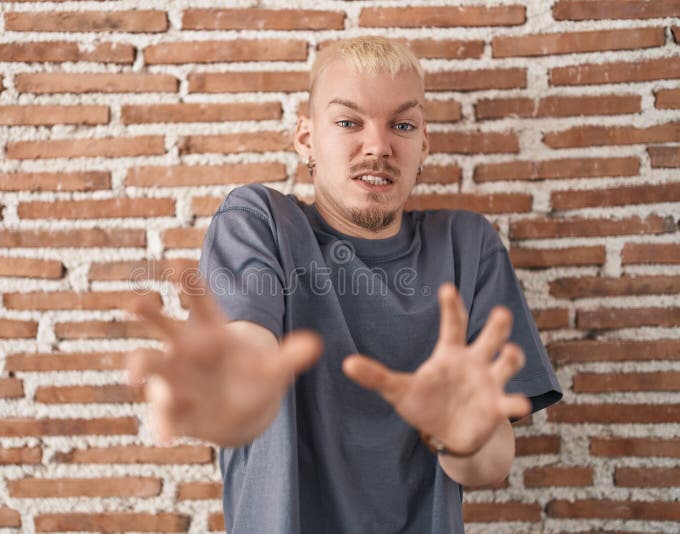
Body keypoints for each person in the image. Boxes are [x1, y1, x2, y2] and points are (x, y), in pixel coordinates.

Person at [127, 36, 562, 534]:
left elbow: (491, 463)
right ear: (306, 140)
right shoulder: (260, 221)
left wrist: (465, 437)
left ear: (425, 144)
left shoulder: (468, 245)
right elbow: (246, 339)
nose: (378, 146)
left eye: (402, 124)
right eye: (348, 122)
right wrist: (234, 381)